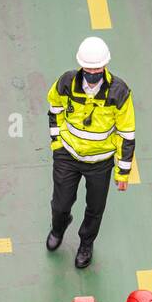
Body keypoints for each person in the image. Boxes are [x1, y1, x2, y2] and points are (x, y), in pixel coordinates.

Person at [45, 36, 136, 270]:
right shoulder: (66, 83)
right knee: (60, 203)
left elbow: (126, 134)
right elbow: (54, 109)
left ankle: (86, 244)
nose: (93, 72)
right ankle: (59, 226)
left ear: (105, 66)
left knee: (95, 208)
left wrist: (122, 173)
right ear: (80, 65)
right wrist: (57, 143)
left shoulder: (119, 92)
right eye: (88, 68)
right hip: (68, 154)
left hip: (100, 161)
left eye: (97, 68)